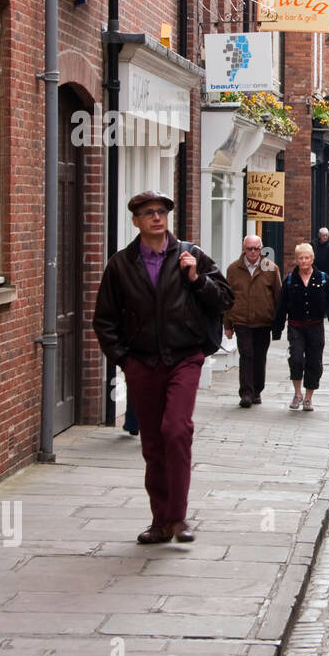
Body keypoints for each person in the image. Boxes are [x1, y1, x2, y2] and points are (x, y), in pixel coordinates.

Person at [93, 190, 233, 544]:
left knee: (176, 430)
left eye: (162, 211)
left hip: (184, 357)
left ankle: (179, 518)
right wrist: (124, 359)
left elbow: (225, 299)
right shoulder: (121, 264)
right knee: (153, 444)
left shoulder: (191, 254)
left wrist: (196, 278)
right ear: (136, 220)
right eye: (148, 212)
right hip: (142, 362)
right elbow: (104, 319)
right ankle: (160, 522)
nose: (157, 217)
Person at [272, 242, 329, 412]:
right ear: (296, 260)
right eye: (300, 258)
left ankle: (308, 397)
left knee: (314, 362)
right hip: (295, 326)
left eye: (307, 258)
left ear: (312, 259)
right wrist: (277, 329)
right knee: (295, 359)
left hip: (315, 327)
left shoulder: (323, 279)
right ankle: (297, 393)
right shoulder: (289, 280)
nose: (303, 261)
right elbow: (281, 306)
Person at [224, 234, 283, 407]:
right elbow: (227, 298)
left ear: (261, 249)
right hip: (241, 321)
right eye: (249, 248)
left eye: (256, 248)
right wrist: (227, 325)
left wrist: (278, 324)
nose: (252, 252)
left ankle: (257, 390)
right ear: (243, 248)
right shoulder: (233, 269)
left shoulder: (271, 269)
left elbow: (278, 297)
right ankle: (246, 394)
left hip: (263, 321)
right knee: (246, 355)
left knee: (259, 357)